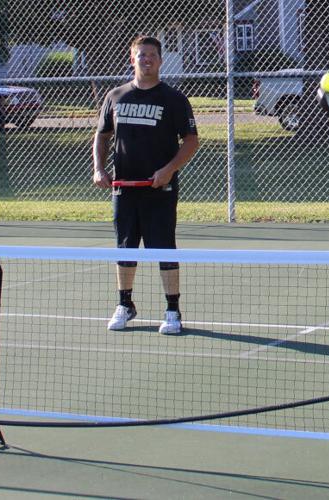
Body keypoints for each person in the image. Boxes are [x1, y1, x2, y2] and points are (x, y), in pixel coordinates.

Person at [92, 35, 199, 334]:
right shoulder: (116, 96)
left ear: (160, 60)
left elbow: (191, 141)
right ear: (132, 59)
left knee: (164, 249)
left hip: (160, 191)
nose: (146, 59)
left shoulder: (174, 99)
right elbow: (102, 136)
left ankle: (173, 310)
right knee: (125, 249)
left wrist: (168, 170)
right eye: (141, 55)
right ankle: (125, 304)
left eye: (152, 55)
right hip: (123, 190)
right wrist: (99, 169)